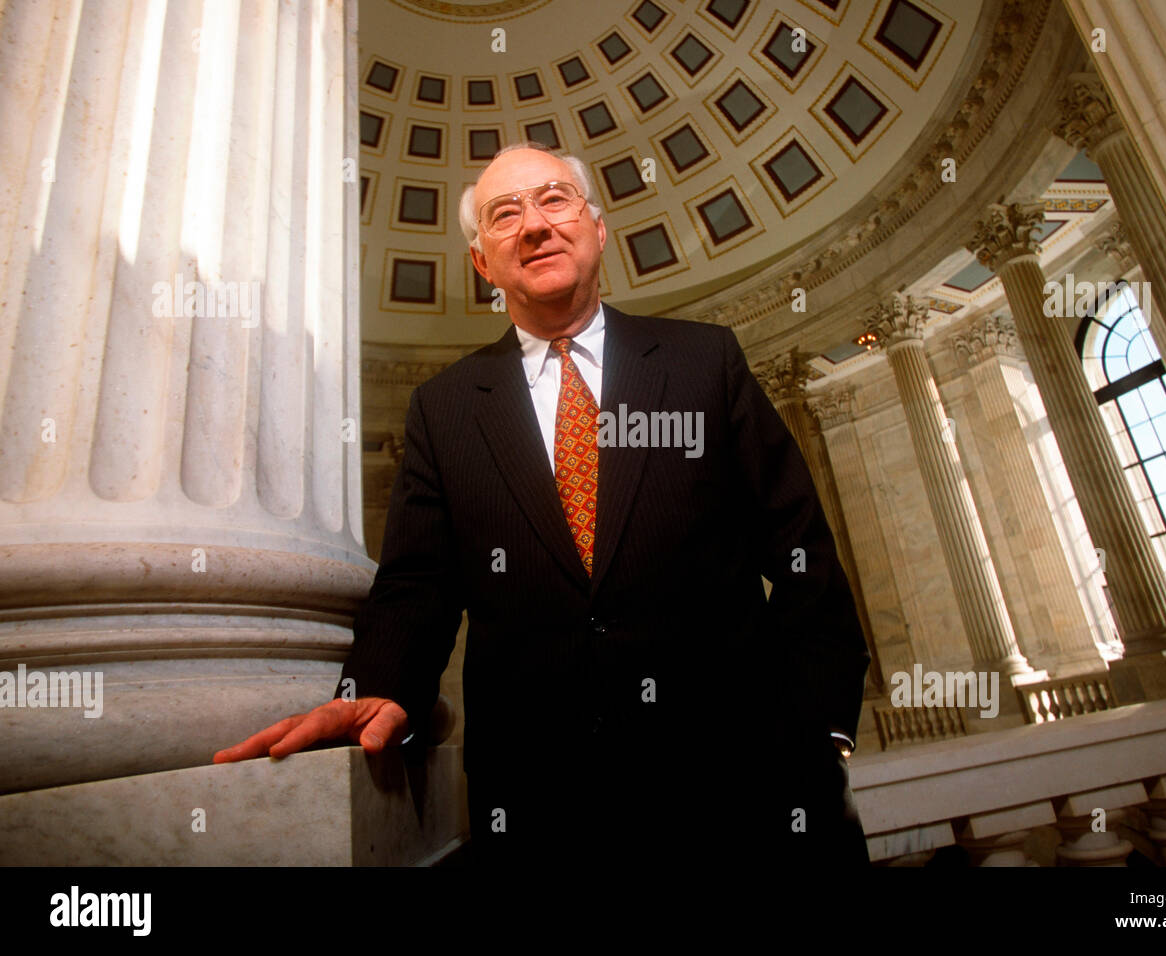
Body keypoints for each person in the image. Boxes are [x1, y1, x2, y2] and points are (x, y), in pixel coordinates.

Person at [215, 142, 870, 870]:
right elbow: (416, 585)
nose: (533, 225)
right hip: (546, 814)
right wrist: (378, 688)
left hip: (754, 796)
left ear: (597, 228)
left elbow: (804, 554)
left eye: (554, 200)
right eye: (504, 214)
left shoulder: (703, 362)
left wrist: (822, 729)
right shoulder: (446, 409)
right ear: (483, 265)